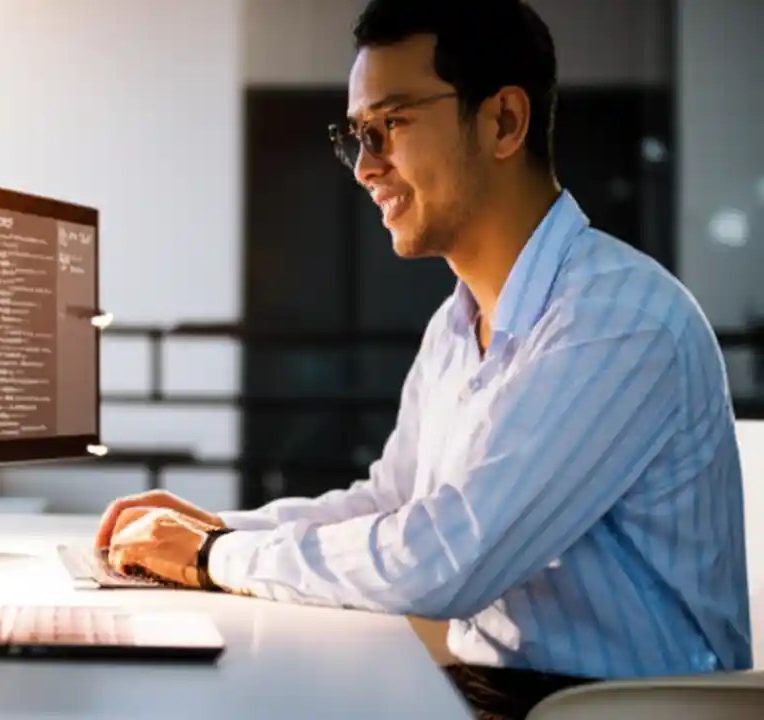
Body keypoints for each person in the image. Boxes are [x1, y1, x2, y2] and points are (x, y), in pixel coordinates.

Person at [95, 1, 751, 717]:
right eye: (356, 135)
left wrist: (210, 559)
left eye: (392, 124)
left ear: (504, 121)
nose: (366, 166)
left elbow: (446, 561)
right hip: (499, 689)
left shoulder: (618, 321)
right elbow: (394, 505)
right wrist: (221, 530)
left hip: (612, 708)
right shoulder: (456, 322)